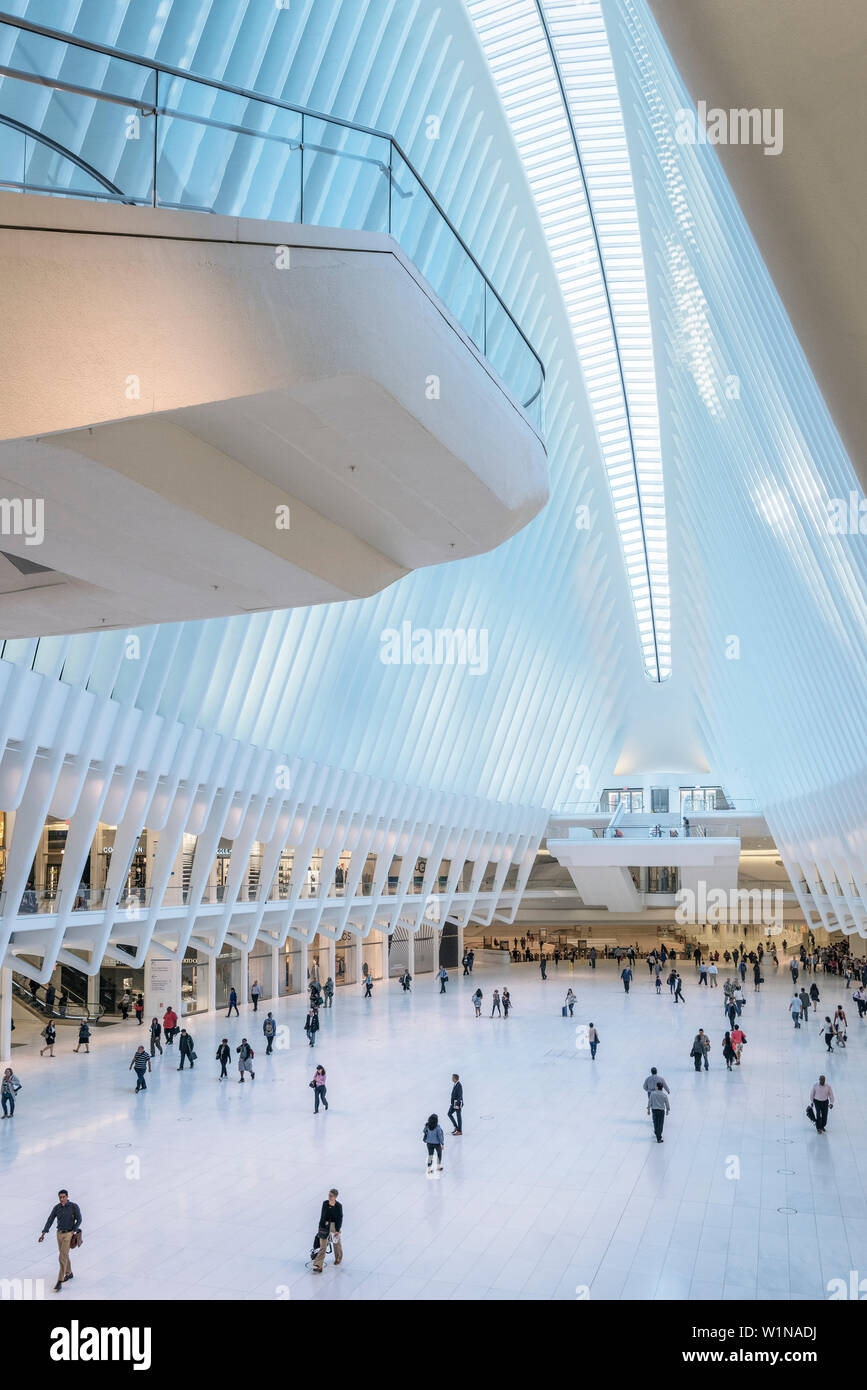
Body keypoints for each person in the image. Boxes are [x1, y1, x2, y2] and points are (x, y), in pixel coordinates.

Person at [39, 1189, 82, 1292]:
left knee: (62, 1257)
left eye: (63, 1197)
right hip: (59, 1234)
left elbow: (79, 1219)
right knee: (64, 1254)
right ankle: (69, 1273)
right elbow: (50, 1219)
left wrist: (73, 1230)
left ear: (67, 1196)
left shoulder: (73, 1206)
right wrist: (44, 1233)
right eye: (60, 1197)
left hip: (68, 1234)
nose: (62, 1199)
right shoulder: (57, 1208)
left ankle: (60, 1280)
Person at [311, 1189, 343, 1273]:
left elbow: (340, 1218)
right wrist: (320, 1227)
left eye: (331, 1196)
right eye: (329, 1195)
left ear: (335, 1197)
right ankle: (319, 1265)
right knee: (323, 1246)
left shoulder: (339, 1206)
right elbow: (322, 1216)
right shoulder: (325, 1203)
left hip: (334, 1226)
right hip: (325, 1226)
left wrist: (337, 1230)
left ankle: (338, 1258)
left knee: (336, 1244)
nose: (329, 1197)